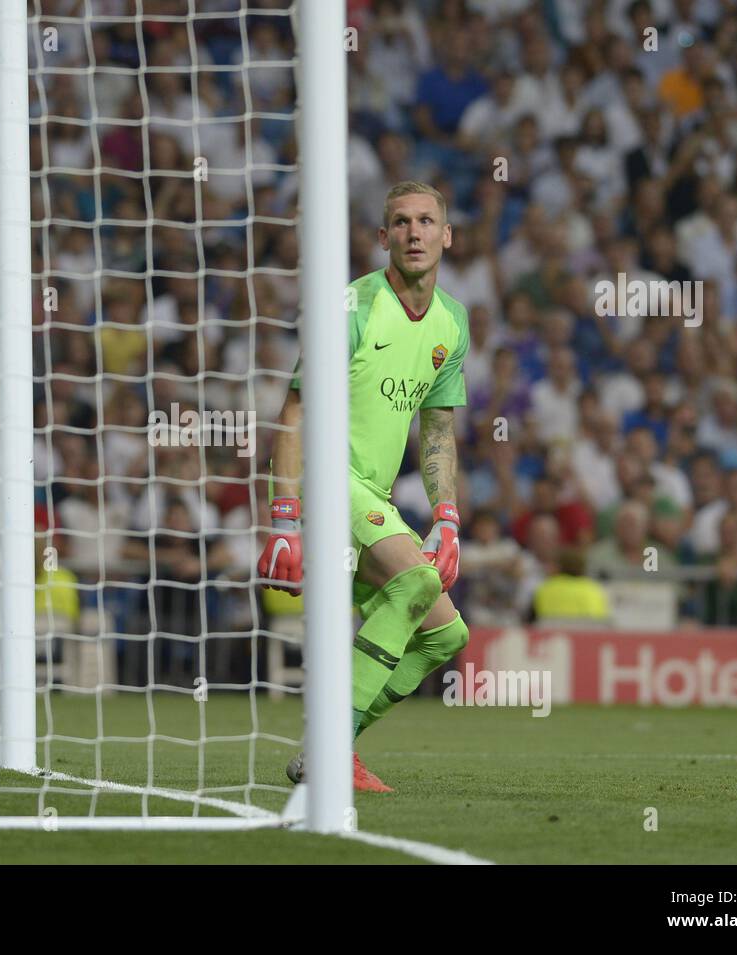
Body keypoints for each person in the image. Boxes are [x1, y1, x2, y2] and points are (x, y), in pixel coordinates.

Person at [260, 182, 470, 793]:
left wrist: (447, 516)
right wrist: (284, 519)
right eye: (401, 222)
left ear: (446, 235)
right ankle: (329, 751)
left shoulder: (452, 323)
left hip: (372, 494)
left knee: (444, 635)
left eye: (427, 220)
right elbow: (295, 412)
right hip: (328, 479)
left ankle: (332, 747)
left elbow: (436, 429)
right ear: (383, 238)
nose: (414, 232)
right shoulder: (353, 307)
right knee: (416, 581)